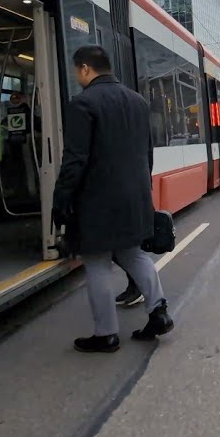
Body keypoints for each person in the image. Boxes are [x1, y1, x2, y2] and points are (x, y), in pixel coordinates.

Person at [52, 45, 172, 353]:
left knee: (97, 263)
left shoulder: (82, 104)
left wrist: (61, 200)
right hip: (135, 195)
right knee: (134, 254)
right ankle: (158, 310)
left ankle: (105, 334)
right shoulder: (138, 102)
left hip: (97, 201)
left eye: (76, 71)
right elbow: (148, 155)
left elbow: (75, 158)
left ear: (85, 69)